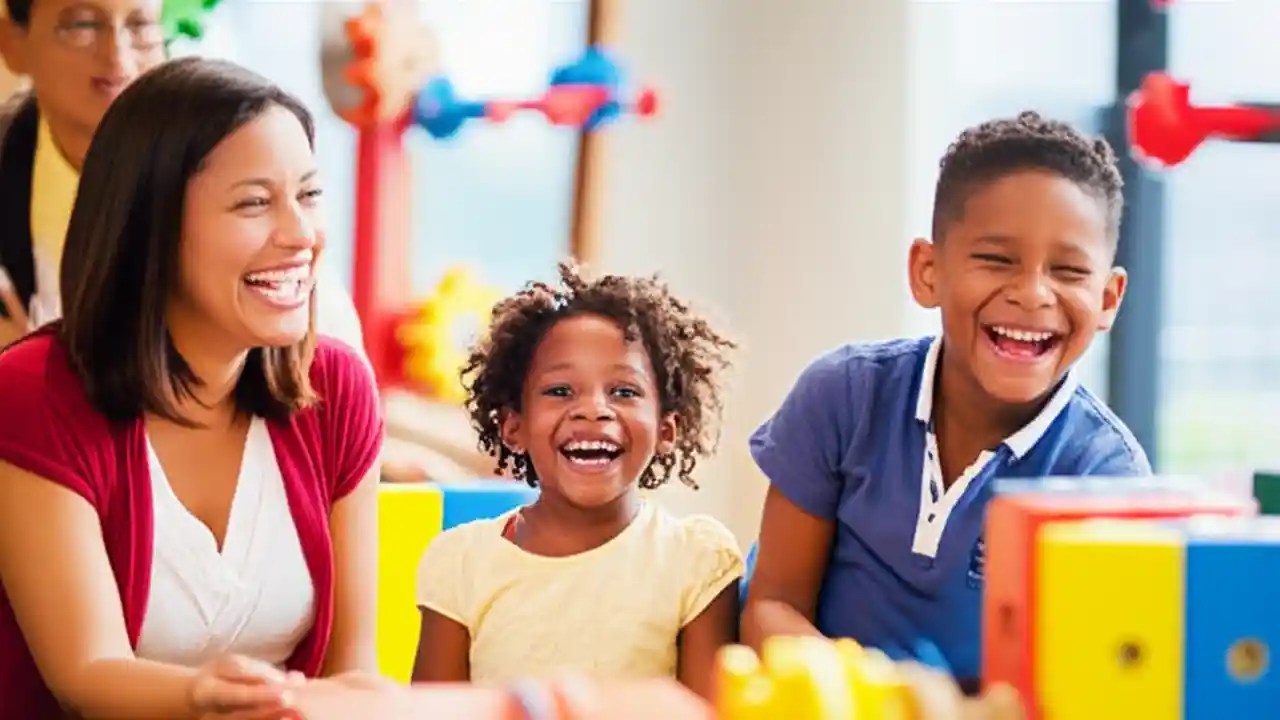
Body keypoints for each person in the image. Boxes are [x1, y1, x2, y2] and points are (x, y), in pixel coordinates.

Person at [0, 57, 383, 718]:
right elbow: (85, 673)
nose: (300, 235)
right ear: (150, 224)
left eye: (310, 195)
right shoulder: (31, 392)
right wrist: (210, 695)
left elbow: (353, 670)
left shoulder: (337, 387)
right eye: (254, 202)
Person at [740, 111, 1153, 688]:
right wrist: (884, 697)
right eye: (996, 259)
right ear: (927, 271)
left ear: (1108, 298)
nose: (1033, 293)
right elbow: (772, 607)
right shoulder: (843, 395)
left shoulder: (1105, 475)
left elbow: (1084, 681)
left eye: (1068, 270)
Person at [411, 262, 743, 699]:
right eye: (560, 391)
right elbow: (433, 712)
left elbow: (707, 712)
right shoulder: (461, 562)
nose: (593, 409)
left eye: (623, 392)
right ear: (514, 425)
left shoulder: (696, 560)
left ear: (667, 428)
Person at [0, 0, 364, 354]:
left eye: (140, 25)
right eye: (82, 25)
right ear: (12, 41)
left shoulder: (234, 154)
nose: (118, 58)